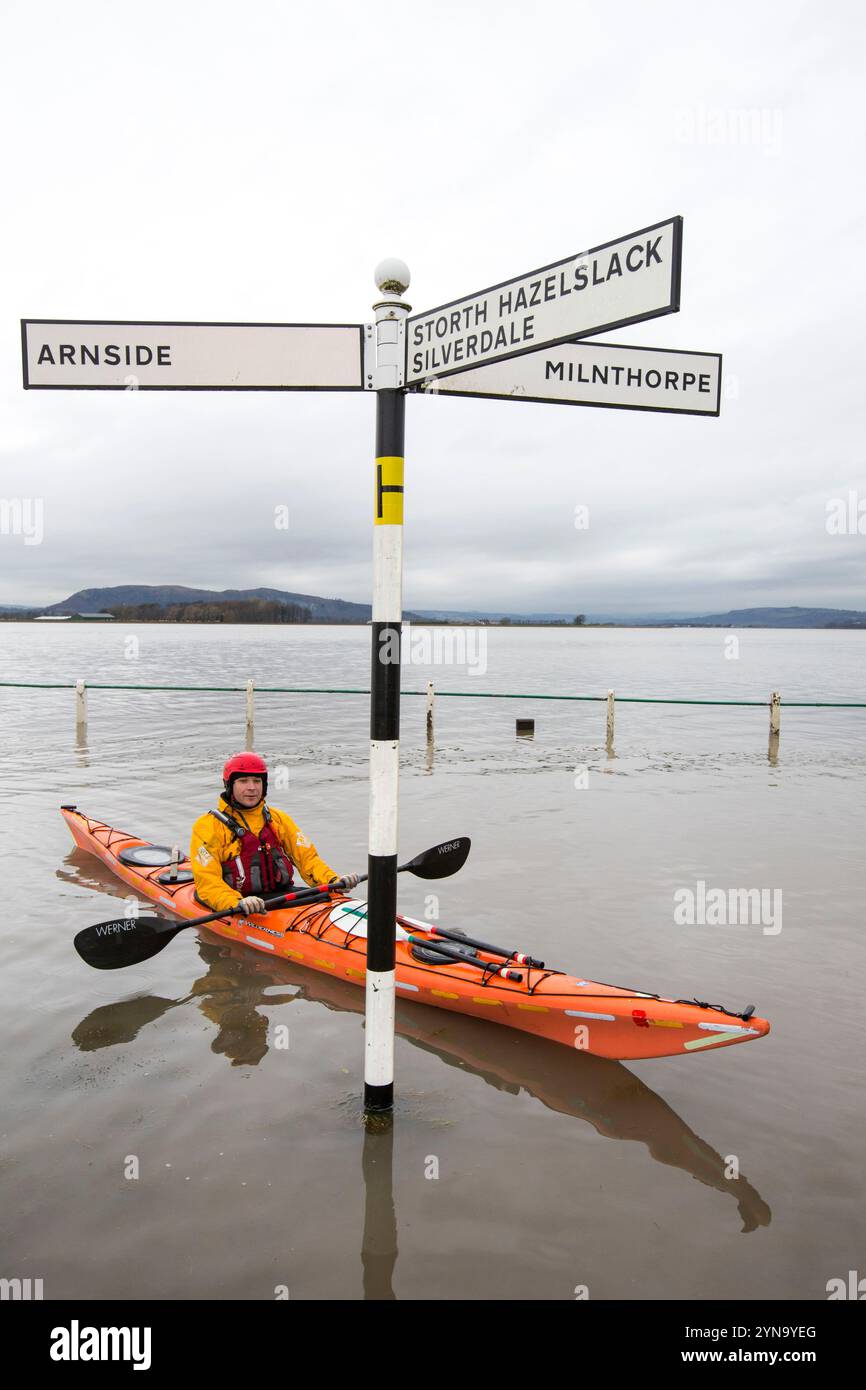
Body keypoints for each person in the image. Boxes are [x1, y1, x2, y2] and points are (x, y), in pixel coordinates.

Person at [190, 752, 359, 916]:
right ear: (229, 785)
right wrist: (236, 902)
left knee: (326, 895)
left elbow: (308, 860)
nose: (251, 787)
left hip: (279, 895)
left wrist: (333, 881)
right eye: (243, 781)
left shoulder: (278, 819)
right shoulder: (207, 827)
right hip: (239, 903)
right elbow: (208, 882)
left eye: (257, 781)